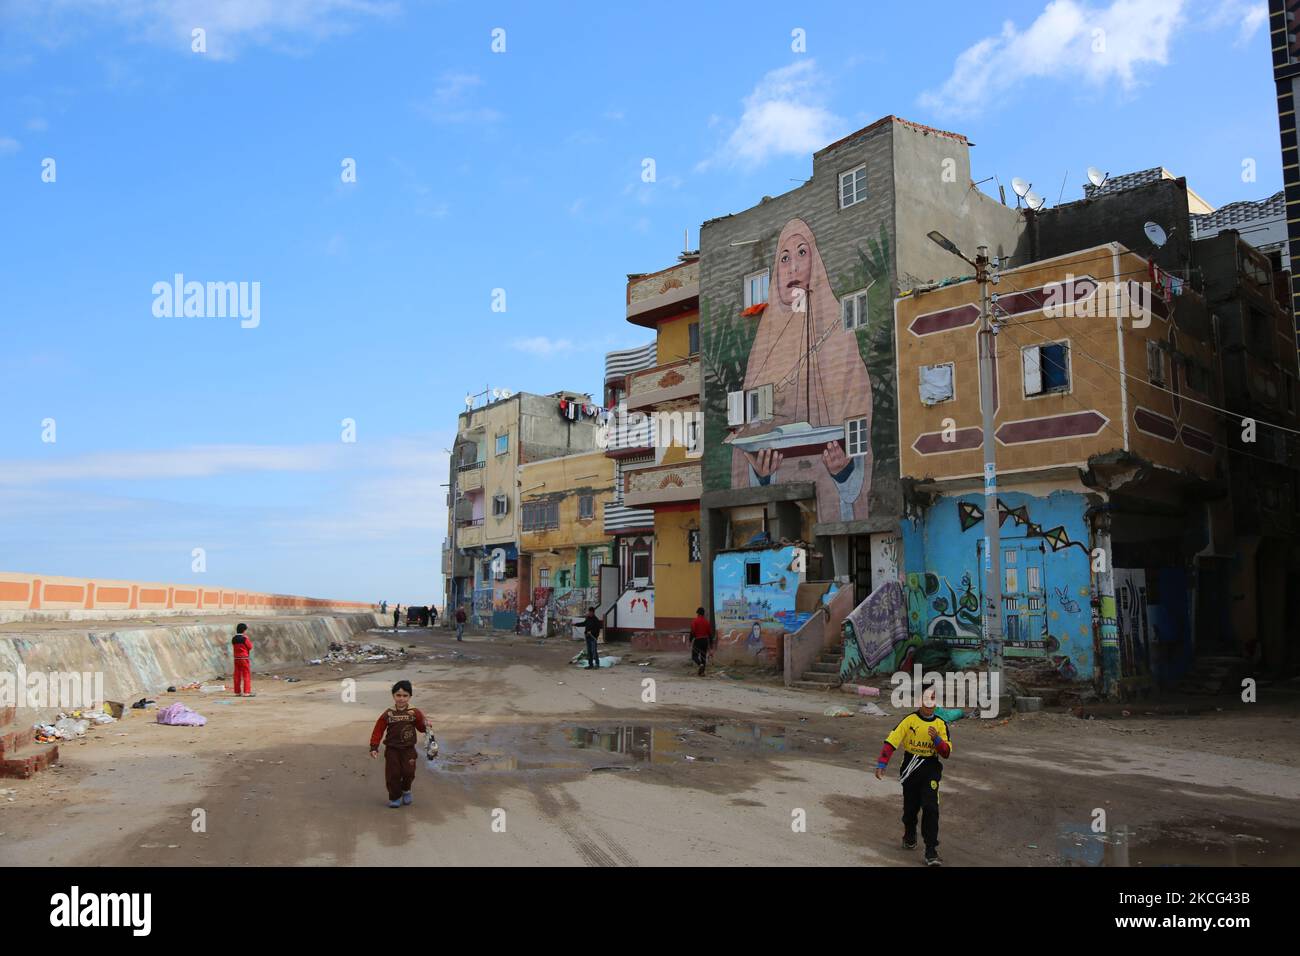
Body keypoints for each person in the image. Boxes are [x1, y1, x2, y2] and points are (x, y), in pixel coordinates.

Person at [874, 685, 952, 866]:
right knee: (910, 809)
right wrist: (881, 763)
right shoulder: (908, 721)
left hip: (930, 768)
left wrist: (937, 740)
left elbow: (946, 752)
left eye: (933, 698)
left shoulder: (940, 724)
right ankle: (910, 834)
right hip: (910, 768)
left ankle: (931, 851)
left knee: (931, 807)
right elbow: (891, 741)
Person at [368, 680, 433, 808]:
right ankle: (395, 797)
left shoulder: (414, 712)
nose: (401, 699)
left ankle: (406, 789)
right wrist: (374, 746)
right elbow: (378, 730)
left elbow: (421, 727)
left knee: (409, 772)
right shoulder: (388, 714)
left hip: (408, 749)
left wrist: (426, 726)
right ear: (393, 696)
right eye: (398, 695)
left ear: (410, 697)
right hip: (392, 749)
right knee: (393, 774)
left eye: (405, 696)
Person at [231, 623, 254, 697]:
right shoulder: (244, 638)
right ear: (244, 630)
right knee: (246, 674)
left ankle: (237, 692)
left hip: (236, 658)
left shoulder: (234, 638)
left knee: (237, 675)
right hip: (244, 658)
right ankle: (246, 692)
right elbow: (250, 647)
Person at [689, 607, 713, 676]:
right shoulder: (707, 622)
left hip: (698, 640)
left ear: (698, 613)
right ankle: (702, 672)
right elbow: (710, 635)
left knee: (694, 656)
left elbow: (692, 632)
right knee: (703, 656)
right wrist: (711, 646)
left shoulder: (695, 621)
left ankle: (700, 665)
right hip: (705, 641)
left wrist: (690, 641)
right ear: (703, 614)